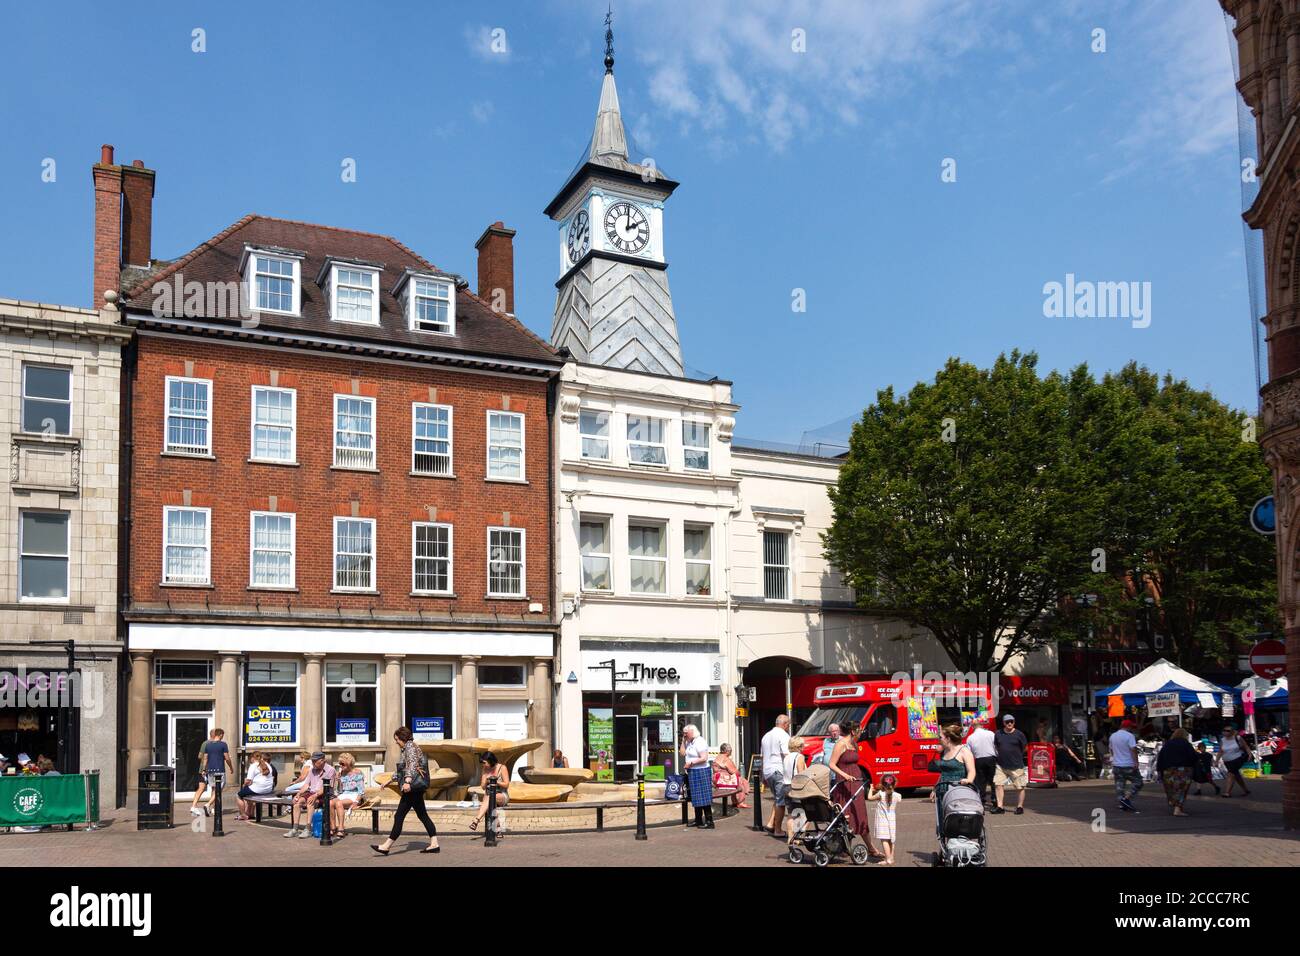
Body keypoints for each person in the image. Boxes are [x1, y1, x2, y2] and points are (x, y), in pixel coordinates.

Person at [372, 727, 439, 855]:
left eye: (397, 739)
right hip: (415, 789)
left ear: (403, 738)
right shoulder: (409, 747)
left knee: (399, 815)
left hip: (412, 788)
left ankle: (386, 846)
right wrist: (390, 780)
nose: (396, 742)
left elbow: (412, 765)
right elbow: (402, 770)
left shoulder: (410, 747)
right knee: (422, 815)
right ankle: (434, 843)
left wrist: (408, 781)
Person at [828, 723, 877, 855]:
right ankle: (845, 847)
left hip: (855, 782)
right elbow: (832, 763)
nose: (861, 732)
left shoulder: (854, 744)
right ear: (853, 731)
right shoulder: (841, 744)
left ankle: (871, 847)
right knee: (846, 815)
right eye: (860, 730)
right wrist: (845, 775)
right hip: (844, 783)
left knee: (860, 813)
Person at [929, 723, 976, 835]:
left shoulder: (964, 751)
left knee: (957, 819)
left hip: (958, 789)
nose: (939, 739)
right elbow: (943, 772)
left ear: (948, 739)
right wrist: (935, 788)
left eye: (941, 737)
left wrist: (968, 780)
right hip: (943, 790)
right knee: (943, 820)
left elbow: (972, 771)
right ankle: (944, 846)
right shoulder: (945, 752)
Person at [285, 751, 335, 839]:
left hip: (325, 795)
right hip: (312, 793)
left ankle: (308, 829)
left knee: (310, 802)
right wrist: (298, 794)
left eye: (315, 761)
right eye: (312, 761)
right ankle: (295, 829)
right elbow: (306, 784)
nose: (313, 763)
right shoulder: (312, 770)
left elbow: (326, 787)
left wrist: (315, 795)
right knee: (297, 803)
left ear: (322, 760)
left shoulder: (330, 770)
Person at [191, 728, 234, 817]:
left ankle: (214, 808)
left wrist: (204, 769)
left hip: (209, 770)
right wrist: (230, 767)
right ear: (220, 735)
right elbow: (227, 758)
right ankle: (205, 805)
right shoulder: (221, 744)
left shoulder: (208, 745)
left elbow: (206, 758)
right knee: (216, 789)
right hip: (218, 770)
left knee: (214, 788)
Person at [761, 714, 791, 836]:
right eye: (788, 724)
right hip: (779, 770)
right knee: (781, 802)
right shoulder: (783, 735)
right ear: (784, 724)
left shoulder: (766, 736)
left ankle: (770, 824)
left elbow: (762, 757)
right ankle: (778, 830)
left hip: (768, 771)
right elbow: (786, 754)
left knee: (778, 798)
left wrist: (763, 776)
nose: (788, 727)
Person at [992, 714, 1028, 815]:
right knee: (998, 785)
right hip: (1001, 765)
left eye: (1011, 721)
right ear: (1003, 723)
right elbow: (996, 746)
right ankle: (1000, 807)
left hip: (1016, 765)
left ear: (1014, 722)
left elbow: (1025, 747)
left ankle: (1020, 807)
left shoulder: (1019, 734)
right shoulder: (998, 733)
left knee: (1020, 787)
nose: (1009, 723)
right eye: (1007, 722)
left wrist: (1017, 755)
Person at [680, 724, 714, 829]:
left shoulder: (700, 741)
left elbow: (704, 758)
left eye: (686, 732)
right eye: (684, 732)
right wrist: (683, 740)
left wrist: (691, 763)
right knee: (696, 797)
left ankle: (709, 822)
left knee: (704, 797)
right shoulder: (689, 742)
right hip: (693, 772)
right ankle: (698, 820)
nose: (684, 734)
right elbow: (682, 753)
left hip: (702, 771)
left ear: (693, 732)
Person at [1156, 728, 1197, 817]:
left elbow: (1161, 757)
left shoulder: (1167, 744)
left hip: (1168, 770)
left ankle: (1174, 804)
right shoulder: (1186, 744)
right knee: (1182, 789)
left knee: (1171, 789)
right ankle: (1178, 808)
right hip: (1183, 770)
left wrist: (1159, 770)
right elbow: (1193, 757)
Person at [469, 751, 511, 833]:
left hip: (502, 795)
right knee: (490, 802)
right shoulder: (485, 769)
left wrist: (494, 780)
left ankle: (477, 820)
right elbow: (483, 787)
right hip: (489, 795)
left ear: (490, 760)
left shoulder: (502, 768)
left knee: (489, 798)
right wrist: (485, 778)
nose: (483, 765)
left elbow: (506, 785)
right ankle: (498, 829)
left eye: (484, 762)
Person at [867, 773, 901, 865]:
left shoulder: (881, 794)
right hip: (892, 820)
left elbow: (869, 798)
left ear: (882, 784)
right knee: (891, 839)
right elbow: (895, 797)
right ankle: (891, 858)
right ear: (895, 783)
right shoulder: (898, 795)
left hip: (882, 820)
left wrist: (871, 789)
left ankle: (888, 859)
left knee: (884, 840)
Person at [779, 736, 808, 843]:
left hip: (786, 786)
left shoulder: (787, 757)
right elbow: (801, 774)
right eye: (803, 745)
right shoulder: (799, 757)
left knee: (791, 813)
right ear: (799, 746)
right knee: (803, 812)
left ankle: (790, 837)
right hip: (796, 787)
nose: (804, 747)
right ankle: (798, 836)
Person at [1110, 719, 1142, 812]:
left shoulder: (1113, 736)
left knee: (1119, 784)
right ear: (1128, 727)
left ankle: (1122, 802)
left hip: (1117, 764)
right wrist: (1136, 762)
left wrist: (1115, 758)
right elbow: (1133, 749)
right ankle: (1127, 798)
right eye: (1131, 727)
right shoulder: (1129, 736)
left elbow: (1111, 749)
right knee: (1138, 782)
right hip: (1128, 764)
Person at [332, 753, 366, 838]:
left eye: (342, 764)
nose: (340, 766)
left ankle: (341, 828)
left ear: (349, 763)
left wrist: (356, 802)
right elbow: (340, 791)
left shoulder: (357, 772)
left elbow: (361, 791)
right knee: (330, 803)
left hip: (354, 795)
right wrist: (338, 780)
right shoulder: (341, 773)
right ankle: (332, 827)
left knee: (338, 803)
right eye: (339, 764)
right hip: (344, 794)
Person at [235, 751, 275, 820]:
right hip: (268, 789)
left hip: (258, 789)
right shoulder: (267, 765)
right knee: (249, 793)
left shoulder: (253, 766)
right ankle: (251, 813)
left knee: (238, 795)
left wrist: (244, 785)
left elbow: (248, 781)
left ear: (252, 758)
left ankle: (243, 815)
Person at [966, 717, 997, 804]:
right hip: (991, 758)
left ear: (972, 727)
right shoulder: (990, 733)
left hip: (979, 760)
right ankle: (994, 798)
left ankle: (982, 799)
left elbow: (969, 752)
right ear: (982, 725)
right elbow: (996, 746)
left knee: (981, 781)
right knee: (993, 780)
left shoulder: (970, 737)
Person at [712, 743, 750, 809]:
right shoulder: (726, 759)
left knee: (737, 780)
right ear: (728, 751)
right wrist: (739, 773)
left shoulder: (718, 757)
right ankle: (740, 802)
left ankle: (735, 802)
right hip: (723, 780)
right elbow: (735, 772)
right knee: (741, 781)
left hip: (716, 779)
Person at [1219, 724, 1254, 798]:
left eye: (1227, 731)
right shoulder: (1222, 740)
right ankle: (1246, 790)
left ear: (1232, 732)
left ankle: (1227, 792)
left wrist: (1250, 755)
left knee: (1230, 774)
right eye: (1224, 730)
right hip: (1227, 761)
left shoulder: (1237, 738)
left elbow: (1246, 746)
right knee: (1236, 775)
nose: (1225, 732)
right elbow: (1220, 751)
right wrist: (1216, 760)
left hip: (1237, 759)